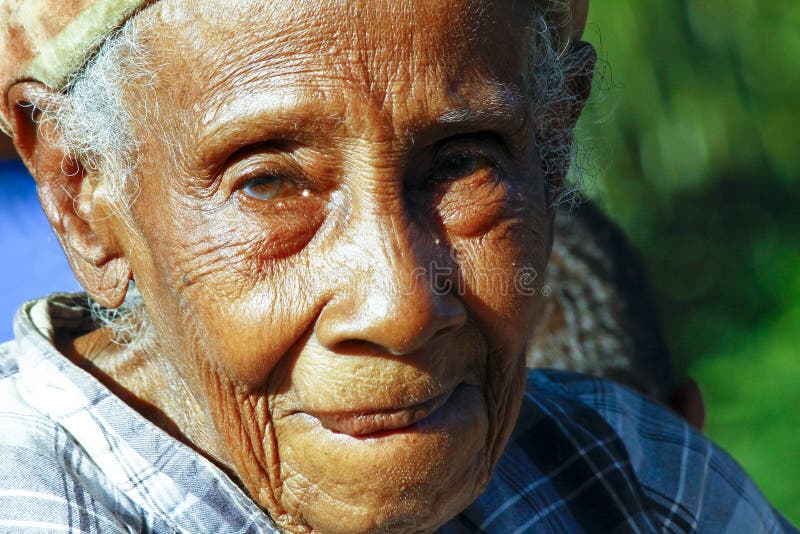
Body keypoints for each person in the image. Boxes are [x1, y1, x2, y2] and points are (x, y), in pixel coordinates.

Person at [0, 0, 794, 532]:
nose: (401, 307)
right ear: (79, 194)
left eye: (463, 164)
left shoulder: (636, 482)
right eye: (270, 182)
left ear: (551, 148)